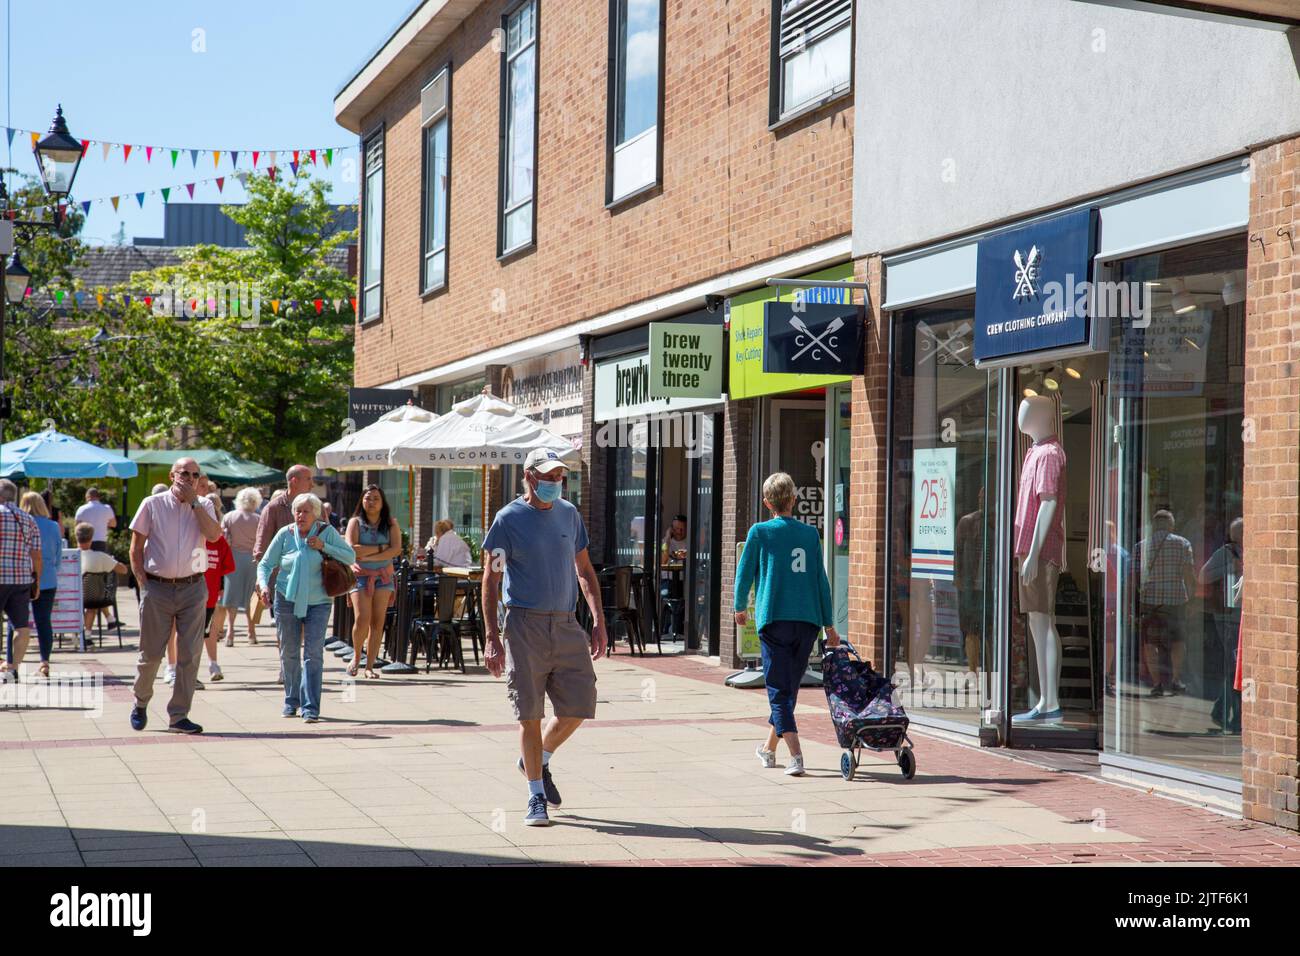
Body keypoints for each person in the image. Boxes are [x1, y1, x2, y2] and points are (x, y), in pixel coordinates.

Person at [481, 448, 608, 827]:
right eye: (548, 476)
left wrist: (599, 620)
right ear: (530, 477)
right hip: (524, 625)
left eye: (560, 477)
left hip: (567, 623)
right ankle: (536, 796)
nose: (555, 482)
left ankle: (538, 759)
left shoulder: (570, 514)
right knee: (530, 714)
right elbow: (491, 577)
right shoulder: (508, 520)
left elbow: (583, 569)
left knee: (580, 704)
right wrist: (492, 634)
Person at [734, 471, 840, 777]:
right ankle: (768, 749)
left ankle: (796, 756)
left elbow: (744, 574)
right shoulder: (810, 535)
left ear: (768, 503)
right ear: (794, 500)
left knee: (779, 690)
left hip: (774, 618)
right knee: (789, 689)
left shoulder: (760, 532)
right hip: (806, 621)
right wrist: (829, 624)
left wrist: (739, 607)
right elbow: (821, 582)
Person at [127, 457, 222, 734]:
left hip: (193, 586)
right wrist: (144, 583)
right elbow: (136, 548)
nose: (190, 478)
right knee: (151, 654)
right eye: (184, 473)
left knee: (190, 654)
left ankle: (179, 715)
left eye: (195, 474)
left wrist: (194, 503)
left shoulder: (203, 505)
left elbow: (214, 535)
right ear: (172, 475)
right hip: (158, 586)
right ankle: (141, 701)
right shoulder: (152, 504)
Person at [256, 493, 355, 722]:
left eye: (306, 511)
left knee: (312, 654)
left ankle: (310, 707)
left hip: (319, 602)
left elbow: (350, 556)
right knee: (289, 652)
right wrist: (263, 586)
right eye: (297, 511)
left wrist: (324, 546)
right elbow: (265, 564)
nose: (300, 515)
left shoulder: (326, 532)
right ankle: (292, 701)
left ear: (316, 514)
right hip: (286, 600)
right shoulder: (285, 534)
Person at [1137, 509, 1197, 698]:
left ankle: (1157, 683)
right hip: (1176, 600)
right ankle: (1176, 679)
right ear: (1171, 525)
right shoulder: (1183, 544)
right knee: (1178, 641)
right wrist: (1192, 598)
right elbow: (1189, 575)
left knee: (1150, 643)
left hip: (1151, 601)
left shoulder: (1142, 546)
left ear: (1154, 526)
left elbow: (1134, 576)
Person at [345, 484, 401, 679]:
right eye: (368, 498)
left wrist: (368, 554)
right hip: (360, 576)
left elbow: (395, 550)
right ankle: (356, 656)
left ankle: (370, 666)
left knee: (378, 622)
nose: (371, 502)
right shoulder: (355, 523)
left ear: (382, 502)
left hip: (384, 577)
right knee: (362, 619)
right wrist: (380, 550)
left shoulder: (391, 523)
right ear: (362, 500)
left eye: (376, 498)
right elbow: (352, 549)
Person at [7, 492, 62, 679]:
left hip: (20, 577)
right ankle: (44, 662)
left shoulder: (18, 522)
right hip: (47, 577)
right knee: (44, 621)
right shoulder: (53, 526)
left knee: (16, 624)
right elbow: (57, 555)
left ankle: (11, 662)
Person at [1201, 517, 1243, 733]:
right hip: (1227, 617)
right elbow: (1203, 577)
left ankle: (1221, 710)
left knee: (1235, 667)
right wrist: (1229, 567)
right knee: (1235, 665)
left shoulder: (1247, 552)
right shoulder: (1225, 553)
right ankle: (1235, 717)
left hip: (1241, 616)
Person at [0, 480, 42, 683]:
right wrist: (37, 581)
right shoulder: (27, 519)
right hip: (21, 579)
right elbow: (36, 555)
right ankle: (13, 668)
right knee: (21, 626)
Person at [217, 487, 262, 646]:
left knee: (232, 597)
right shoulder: (258, 519)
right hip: (252, 561)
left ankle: (230, 632)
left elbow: (222, 538)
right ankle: (251, 632)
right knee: (251, 597)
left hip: (233, 558)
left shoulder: (229, 516)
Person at [200, 494, 236, 683]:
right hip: (188, 594)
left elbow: (226, 567)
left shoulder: (219, 542)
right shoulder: (192, 535)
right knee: (188, 635)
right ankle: (178, 669)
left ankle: (213, 665)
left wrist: (221, 586)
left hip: (209, 596)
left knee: (207, 632)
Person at [76, 521, 126, 640]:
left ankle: (107, 621)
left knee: (92, 593)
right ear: (91, 538)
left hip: (74, 598)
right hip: (95, 598)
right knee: (96, 594)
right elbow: (123, 570)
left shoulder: (71, 556)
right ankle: (90, 632)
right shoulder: (100, 556)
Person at [659, 513, 688, 637]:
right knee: (666, 595)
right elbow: (663, 562)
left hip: (684, 580)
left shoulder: (689, 543)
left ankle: (678, 629)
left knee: (684, 597)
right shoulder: (666, 543)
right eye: (676, 529)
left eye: (682, 529)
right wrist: (667, 539)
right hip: (668, 580)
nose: (679, 532)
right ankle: (666, 628)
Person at [75, 487, 117, 553]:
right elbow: (114, 524)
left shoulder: (81, 509)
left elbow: (77, 527)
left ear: (87, 497)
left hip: (85, 541)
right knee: (100, 562)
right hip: (101, 541)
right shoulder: (107, 508)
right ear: (98, 497)